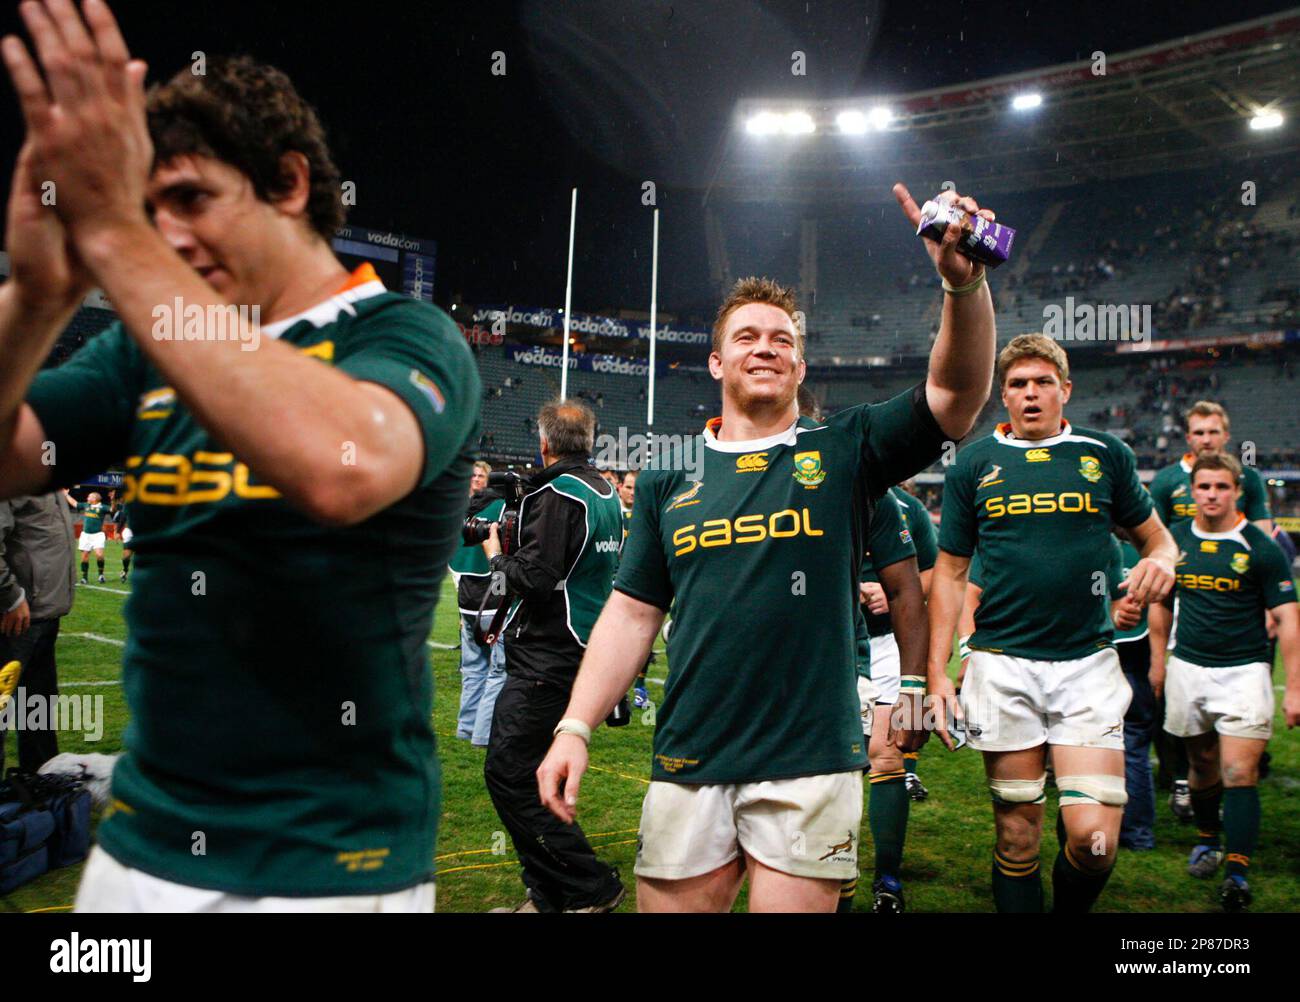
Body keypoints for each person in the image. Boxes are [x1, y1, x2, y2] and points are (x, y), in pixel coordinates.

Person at [0, 5, 478, 911]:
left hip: (324, 866)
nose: (165, 236)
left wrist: (113, 234)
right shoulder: (151, 348)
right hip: (136, 847)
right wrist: (34, 297)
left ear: (289, 184)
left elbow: (341, 469)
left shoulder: (409, 336)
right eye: (147, 210)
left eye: (188, 199)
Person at [536, 180, 1000, 914]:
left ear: (801, 367)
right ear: (717, 364)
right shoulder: (668, 473)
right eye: (746, 337)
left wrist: (964, 287)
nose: (766, 347)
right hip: (689, 753)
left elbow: (955, 397)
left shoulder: (846, 450)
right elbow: (630, 614)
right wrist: (574, 726)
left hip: (811, 761)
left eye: (783, 339)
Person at [928, 334, 1176, 913]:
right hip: (1001, 664)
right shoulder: (974, 465)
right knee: (1017, 836)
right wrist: (938, 673)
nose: (1031, 393)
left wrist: (1161, 562)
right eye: (1017, 384)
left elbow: (1157, 539)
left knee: (1094, 843)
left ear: (1066, 390)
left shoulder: (1105, 455)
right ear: (1003, 397)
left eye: (1043, 382)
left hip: (1087, 665)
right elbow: (949, 572)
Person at [481, 399, 626, 913]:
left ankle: (587, 884)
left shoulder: (558, 491)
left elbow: (536, 578)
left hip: (551, 652)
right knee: (541, 773)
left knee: (510, 773)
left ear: (544, 444)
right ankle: (550, 893)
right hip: (584, 646)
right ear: (590, 440)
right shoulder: (604, 488)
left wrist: (496, 555)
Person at [1147, 453, 1299, 911]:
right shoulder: (1173, 542)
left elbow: (1288, 618)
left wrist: (1293, 685)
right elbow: (1161, 605)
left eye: (1222, 487)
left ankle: (1237, 871)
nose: (1212, 495)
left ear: (1237, 491)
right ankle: (1208, 838)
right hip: (1188, 668)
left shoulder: (1261, 546)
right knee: (1203, 766)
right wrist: (1158, 662)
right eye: (1204, 487)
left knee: (1239, 772)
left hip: (1245, 671)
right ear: (1192, 493)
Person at [1147, 400, 1273, 820]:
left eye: (1212, 432)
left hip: (1236, 595)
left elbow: (1262, 531)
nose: (1205, 439)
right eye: (1198, 432)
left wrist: (1267, 592)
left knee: (1245, 687)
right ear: (1187, 437)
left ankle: (1243, 762)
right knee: (1177, 702)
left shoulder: (1246, 478)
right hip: (1184, 595)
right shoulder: (1166, 481)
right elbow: (1154, 537)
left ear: (1225, 435)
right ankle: (1182, 778)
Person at [853, 488, 929, 914]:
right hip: (827, 640)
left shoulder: (909, 509)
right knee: (833, 761)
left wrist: (887, 588)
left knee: (887, 757)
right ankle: (828, 870)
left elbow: (933, 578)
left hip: (887, 645)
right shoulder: (818, 489)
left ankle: (887, 879)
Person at [0, 491, 76, 773]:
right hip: (15, 617)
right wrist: (10, 597)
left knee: (39, 712)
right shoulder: (13, 466)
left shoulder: (47, 473)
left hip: (43, 615)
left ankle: (40, 795)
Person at [450, 461, 507, 747]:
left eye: (479, 475)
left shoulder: (457, 508)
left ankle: (466, 727)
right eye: (472, 475)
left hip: (467, 598)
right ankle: (482, 734)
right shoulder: (500, 507)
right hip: (493, 600)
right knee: (497, 670)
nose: (475, 479)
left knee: (473, 669)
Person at [1107, 534, 1156, 850]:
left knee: (1100, 742)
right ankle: (1137, 834)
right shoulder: (1153, 553)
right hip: (1141, 654)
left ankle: (1101, 830)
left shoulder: (1095, 543)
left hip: (1099, 653)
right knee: (1134, 745)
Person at [65, 489, 109, 583]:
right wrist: (66, 495)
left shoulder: (103, 507)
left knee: (99, 555)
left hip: (98, 535)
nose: (87, 498)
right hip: (85, 535)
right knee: (84, 556)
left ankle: (101, 575)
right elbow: (74, 503)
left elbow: (112, 509)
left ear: (95, 498)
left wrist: (113, 500)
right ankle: (84, 577)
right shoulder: (86, 505)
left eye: (89, 496)